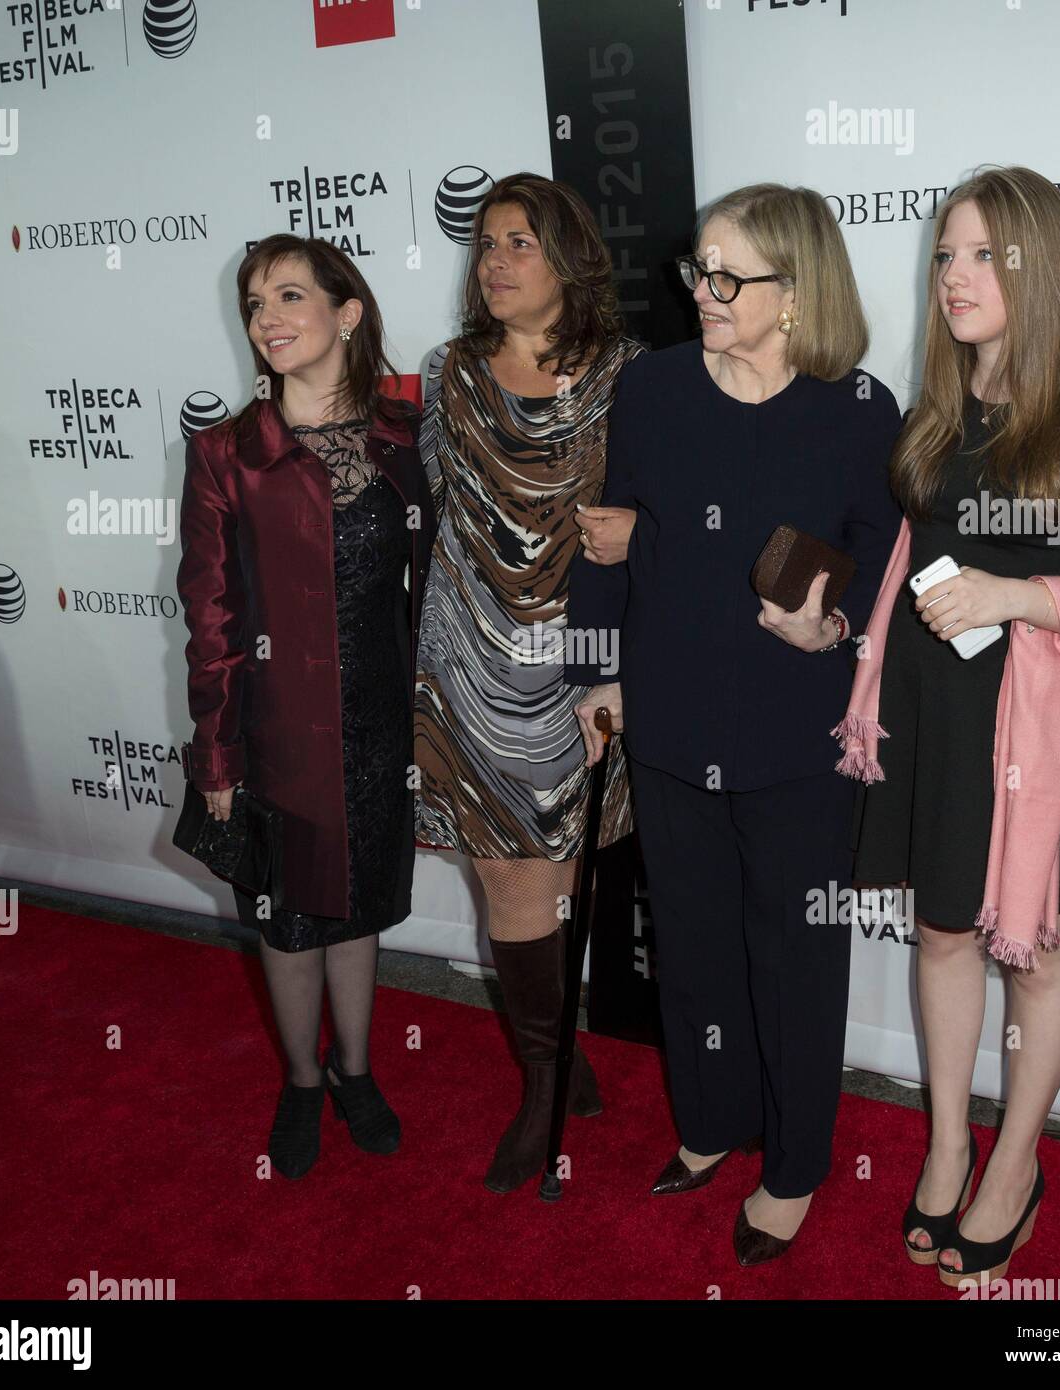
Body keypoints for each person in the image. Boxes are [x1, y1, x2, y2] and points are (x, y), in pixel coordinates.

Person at [565, 183, 903, 1265]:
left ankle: (796, 1160)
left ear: (794, 294)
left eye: (726, 276)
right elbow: (610, 534)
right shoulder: (655, 388)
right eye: (693, 270)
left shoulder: (856, 407)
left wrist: (834, 628)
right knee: (695, 948)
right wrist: (594, 673)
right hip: (667, 718)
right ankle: (712, 1121)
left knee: (793, 956)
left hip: (797, 735)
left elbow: (881, 566)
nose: (699, 291)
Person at [845, 166, 1060, 1286]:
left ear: (1038, 267)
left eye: (984, 256)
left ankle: (1013, 1165)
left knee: (1035, 953)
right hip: (936, 720)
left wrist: (1010, 595)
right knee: (938, 935)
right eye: (942, 255)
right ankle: (943, 1143)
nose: (954, 278)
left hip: (1044, 738)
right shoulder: (934, 414)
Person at [177, 233, 435, 1180]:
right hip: (277, 730)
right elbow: (210, 617)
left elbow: (432, 587)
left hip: (377, 729)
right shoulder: (226, 455)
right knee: (288, 918)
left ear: (348, 314)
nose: (269, 320)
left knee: (359, 909)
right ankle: (299, 1081)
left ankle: (356, 1073)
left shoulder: (402, 435)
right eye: (255, 305)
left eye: (290, 297)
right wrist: (218, 756)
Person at [413, 173, 642, 1194]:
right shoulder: (449, 372)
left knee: (561, 874)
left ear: (569, 259)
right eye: (484, 243)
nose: (493, 263)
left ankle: (561, 1049)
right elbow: (430, 504)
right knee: (506, 877)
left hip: (583, 665)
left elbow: (658, 514)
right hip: (469, 657)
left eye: (519, 243)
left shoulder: (631, 375)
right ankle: (544, 1076)